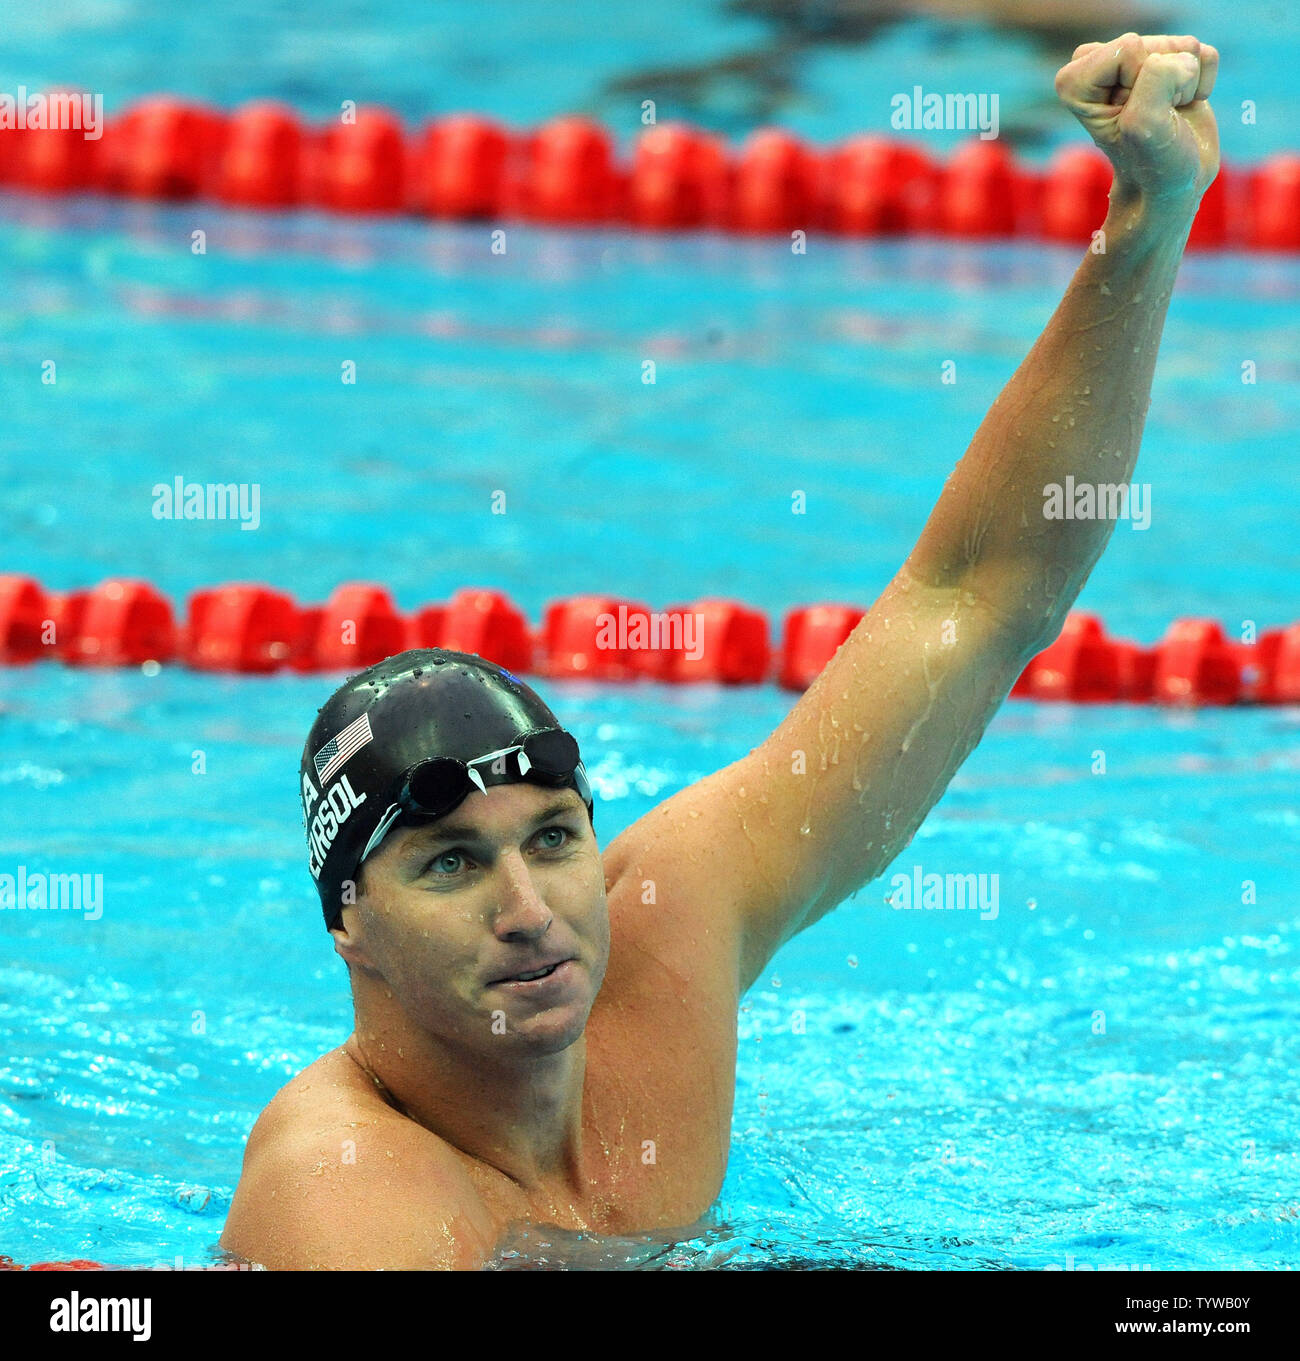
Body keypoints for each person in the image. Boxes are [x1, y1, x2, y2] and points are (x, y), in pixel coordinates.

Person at [221, 32, 1219, 1269]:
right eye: (447, 867)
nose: (531, 912)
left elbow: (973, 597)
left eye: (553, 838)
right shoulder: (347, 1193)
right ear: (347, 923)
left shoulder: (657, 932)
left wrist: (1147, 216)